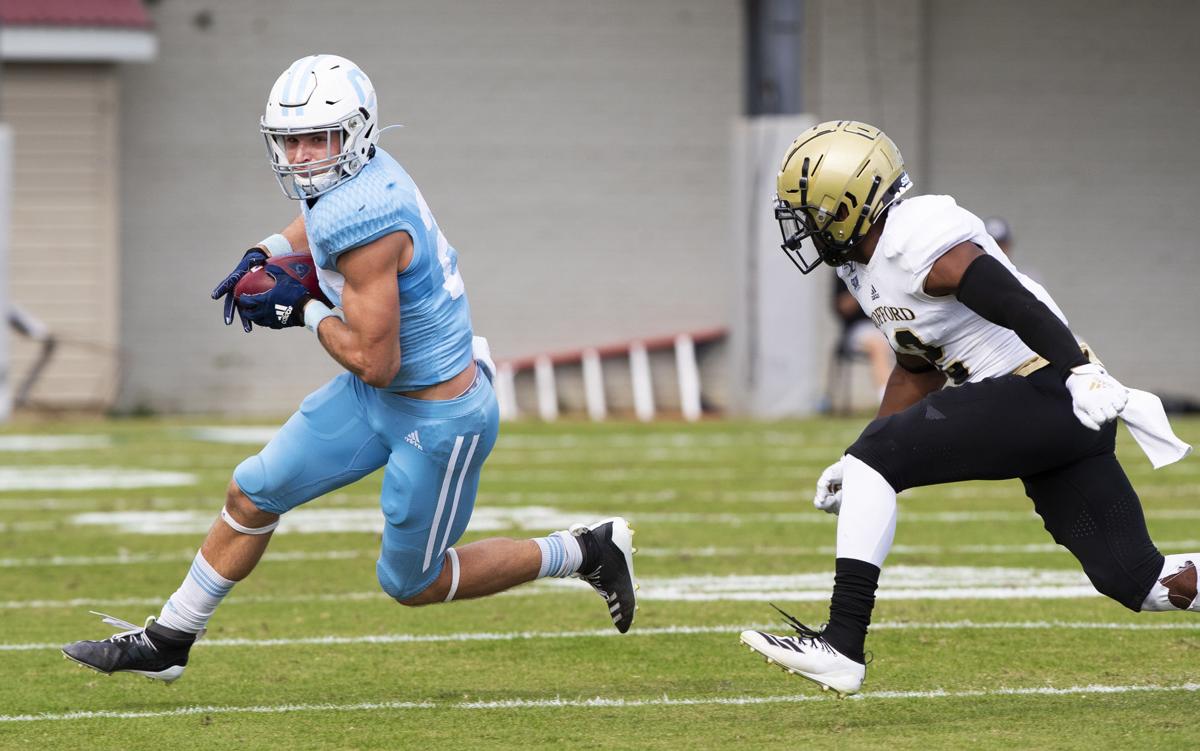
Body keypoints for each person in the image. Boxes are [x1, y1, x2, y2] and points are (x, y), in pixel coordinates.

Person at [62, 54, 637, 683]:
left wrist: (303, 309)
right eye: (290, 140)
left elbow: (376, 360)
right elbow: (316, 219)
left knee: (412, 581)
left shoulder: (368, 220)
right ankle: (170, 638)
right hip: (375, 397)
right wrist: (268, 251)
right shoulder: (354, 176)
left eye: (316, 139)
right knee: (253, 491)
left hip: (438, 414)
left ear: (353, 133)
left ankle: (585, 551)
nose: (302, 156)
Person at [742, 120, 1193, 697]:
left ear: (849, 204)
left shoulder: (915, 235)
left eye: (811, 211)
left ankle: (842, 642)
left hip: (1050, 389)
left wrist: (1080, 372)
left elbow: (1011, 298)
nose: (803, 226)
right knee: (1141, 580)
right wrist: (857, 459)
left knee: (876, 460)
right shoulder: (865, 265)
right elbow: (916, 368)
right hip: (1050, 413)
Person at [830, 275, 893, 404]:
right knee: (877, 344)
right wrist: (863, 287)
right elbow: (843, 307)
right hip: (858, 328)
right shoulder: (843, 269)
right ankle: (887, 401)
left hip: (886, 324)